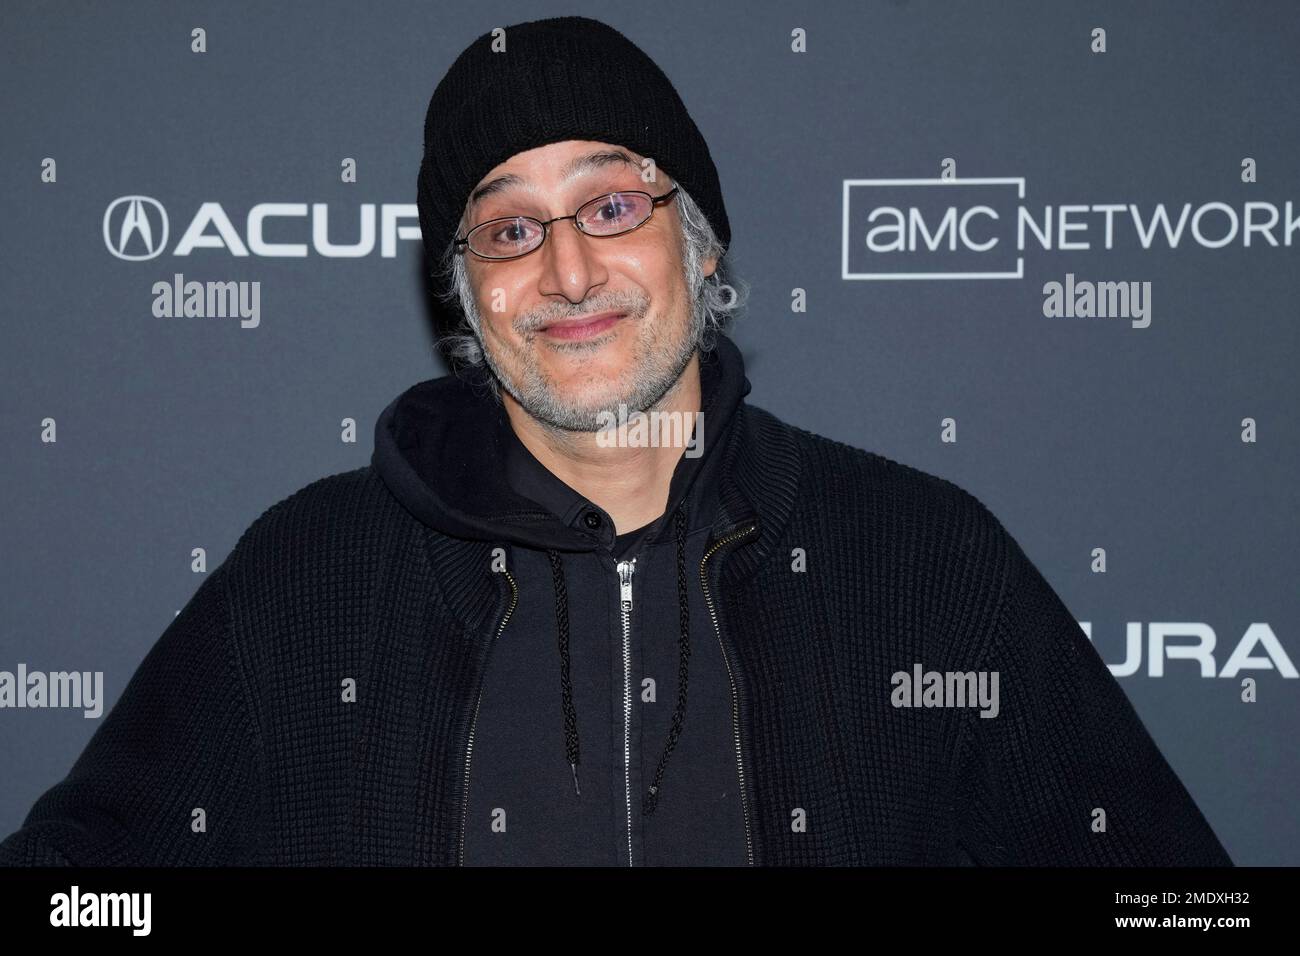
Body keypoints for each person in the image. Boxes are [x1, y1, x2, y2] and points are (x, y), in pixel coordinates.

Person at [0, 15, 1231, 867]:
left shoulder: (918, 557)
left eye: (610, 203)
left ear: (698, 244)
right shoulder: (311, 571)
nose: (569, 268)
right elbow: (92, 885)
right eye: (509, 229)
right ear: (466, 293)